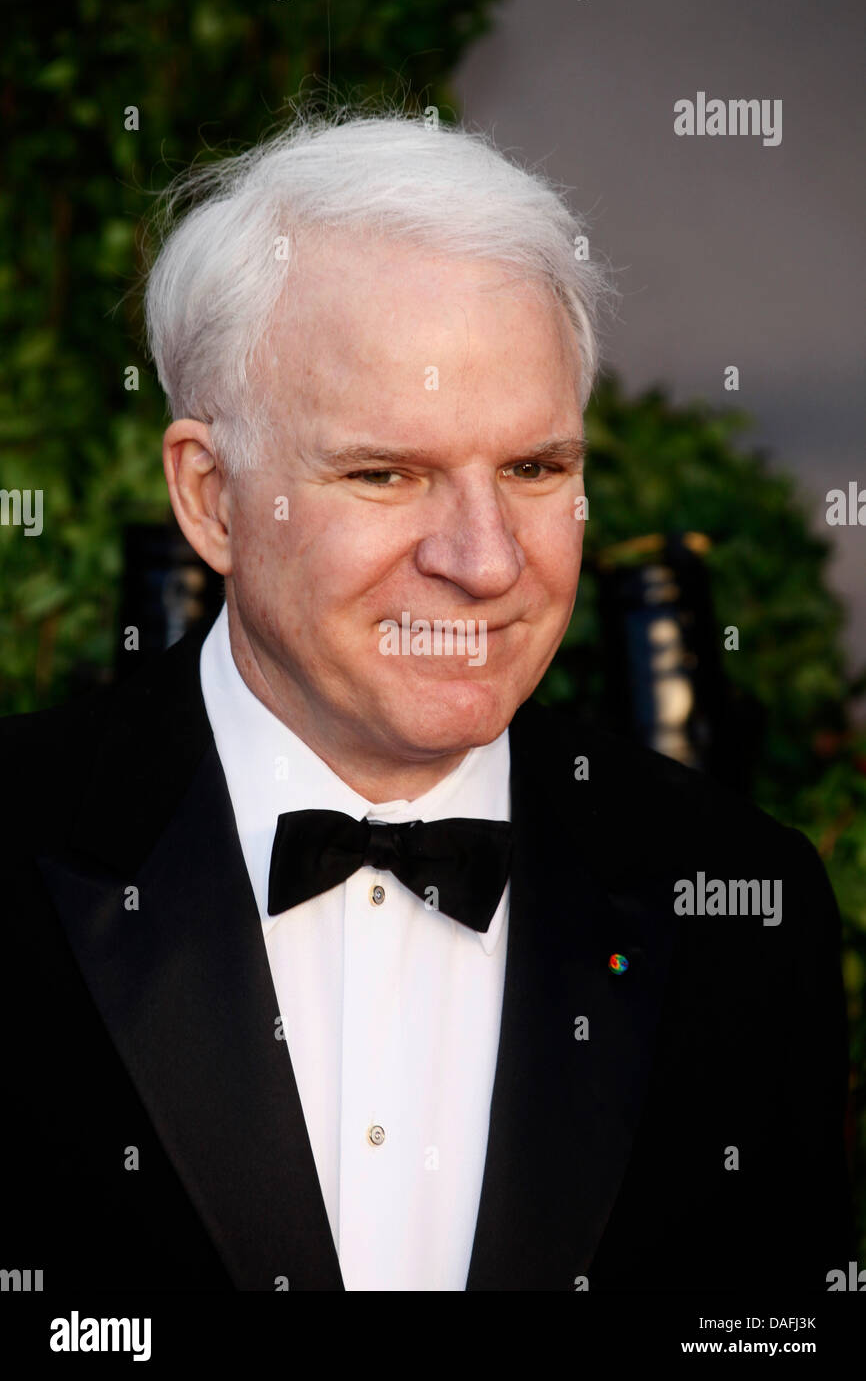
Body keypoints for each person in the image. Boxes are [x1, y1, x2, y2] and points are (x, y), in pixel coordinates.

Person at [1, 112, 853, 1292]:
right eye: (385, 473)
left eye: (533, 468)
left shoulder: (739, 907)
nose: (485, 559)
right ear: (210, 498)